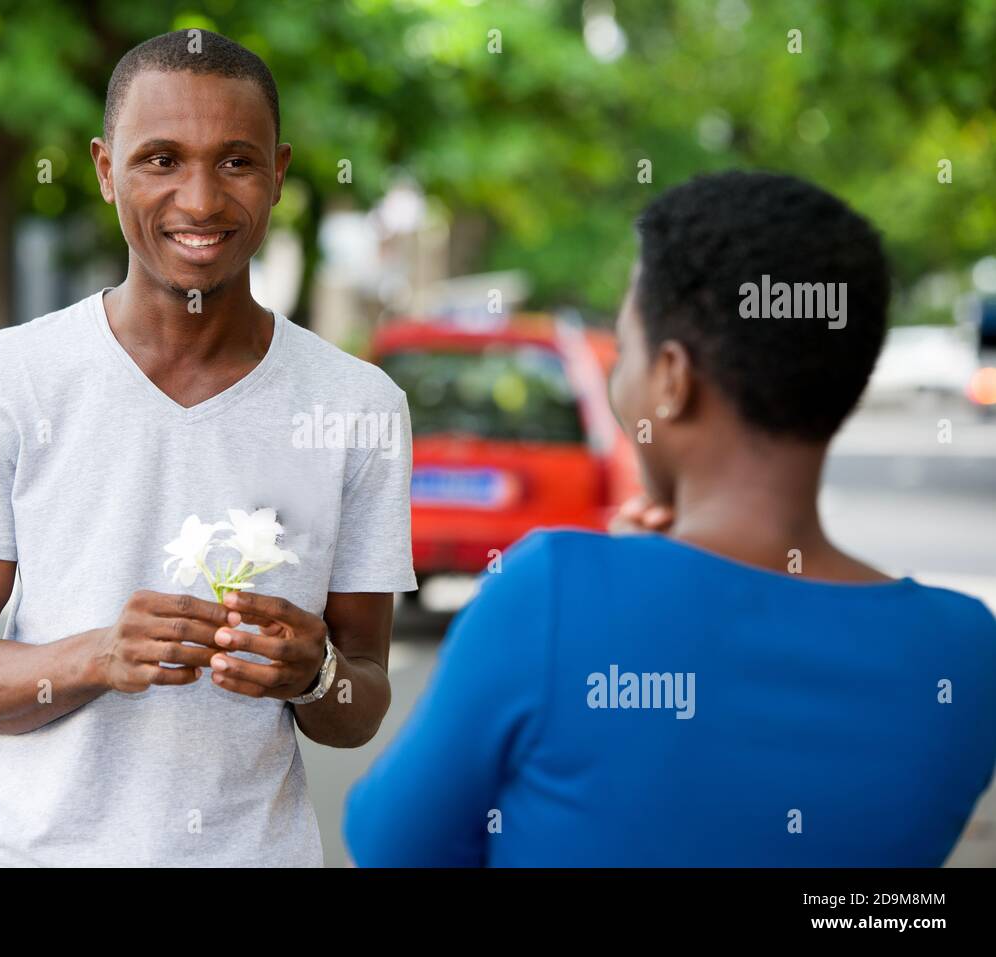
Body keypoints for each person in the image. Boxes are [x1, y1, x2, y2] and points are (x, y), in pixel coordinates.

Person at [342, 171, 996, 867]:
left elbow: (389, 844)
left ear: (673, 378)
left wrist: (620, 587)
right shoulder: (964, 652)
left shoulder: (554, 592)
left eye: (627, 351)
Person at [0, 29, 415, 867]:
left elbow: (360, 700)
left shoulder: (358, 406)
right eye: (161, 159)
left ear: (280, 173)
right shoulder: (3, 380)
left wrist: (314, 672)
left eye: (236, 162)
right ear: (107, 170)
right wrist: (99, 655)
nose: (200, 199)